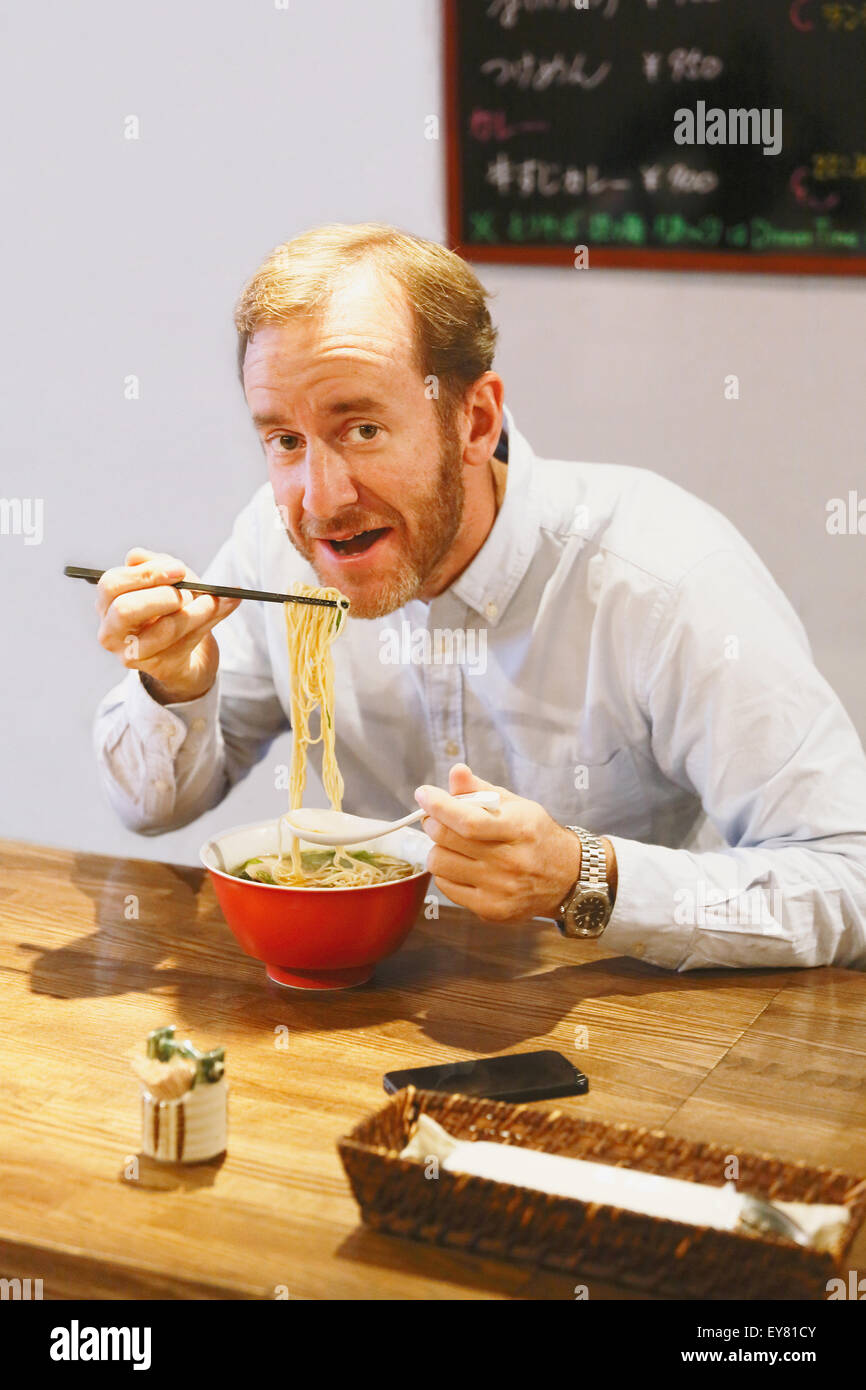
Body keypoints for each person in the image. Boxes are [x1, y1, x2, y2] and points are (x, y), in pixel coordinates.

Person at [92, 223, 866, 971]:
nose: (320, 501)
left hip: (625, 1033)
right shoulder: (278, 546)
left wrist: (581, 876)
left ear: (476, 418)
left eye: (361, 429)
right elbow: (150, 808)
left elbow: (848, 879)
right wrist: (176, 680)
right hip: (357, 1016)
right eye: (285, 442)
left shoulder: (662, 577)